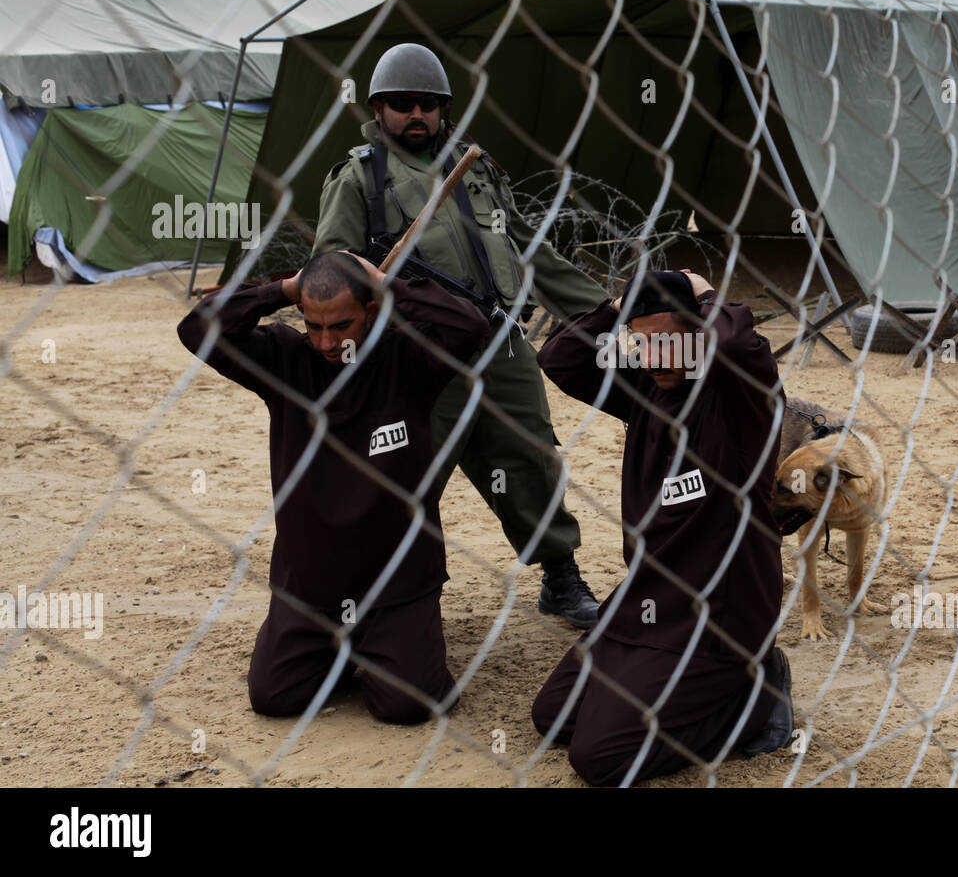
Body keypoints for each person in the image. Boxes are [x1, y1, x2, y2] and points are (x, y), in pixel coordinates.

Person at [314, 43, 607, 629]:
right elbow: (332, 269)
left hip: (502, 343)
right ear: (378, 108)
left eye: (428, 104)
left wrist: (605, 307)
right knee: (410, 470)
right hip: (419, 353)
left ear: (443, 109)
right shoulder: (360, 176)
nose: (416, 113)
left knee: (531, 456)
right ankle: (386, 593)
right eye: (402, 103)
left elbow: (526, 246)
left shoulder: (475, 167)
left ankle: (560, 576)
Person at [177, 251, 489, 723]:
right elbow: (196, 330)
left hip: (396, 585)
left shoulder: (410, 359)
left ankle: (389, 647)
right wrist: (282, 290)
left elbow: (470, 326)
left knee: (408, 707)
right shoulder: (283, 359)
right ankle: (344, 654)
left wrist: (386, 282)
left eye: (341, 325)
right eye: (313, 324)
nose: (326, 341)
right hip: (310, 587)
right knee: (274, 697)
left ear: (371, 310)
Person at [530, 269, 793, 786]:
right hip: (644, 602)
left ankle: (755, 692)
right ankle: (677, 689)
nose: (652, 358)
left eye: (668, 342)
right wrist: (621, 305)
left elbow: (737, 345)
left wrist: (704, 293)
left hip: (718, 615)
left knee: (600, 759)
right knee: (553, 717)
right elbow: (559, 357)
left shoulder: (742, 401)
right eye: (641, 343)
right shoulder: (645, 389)